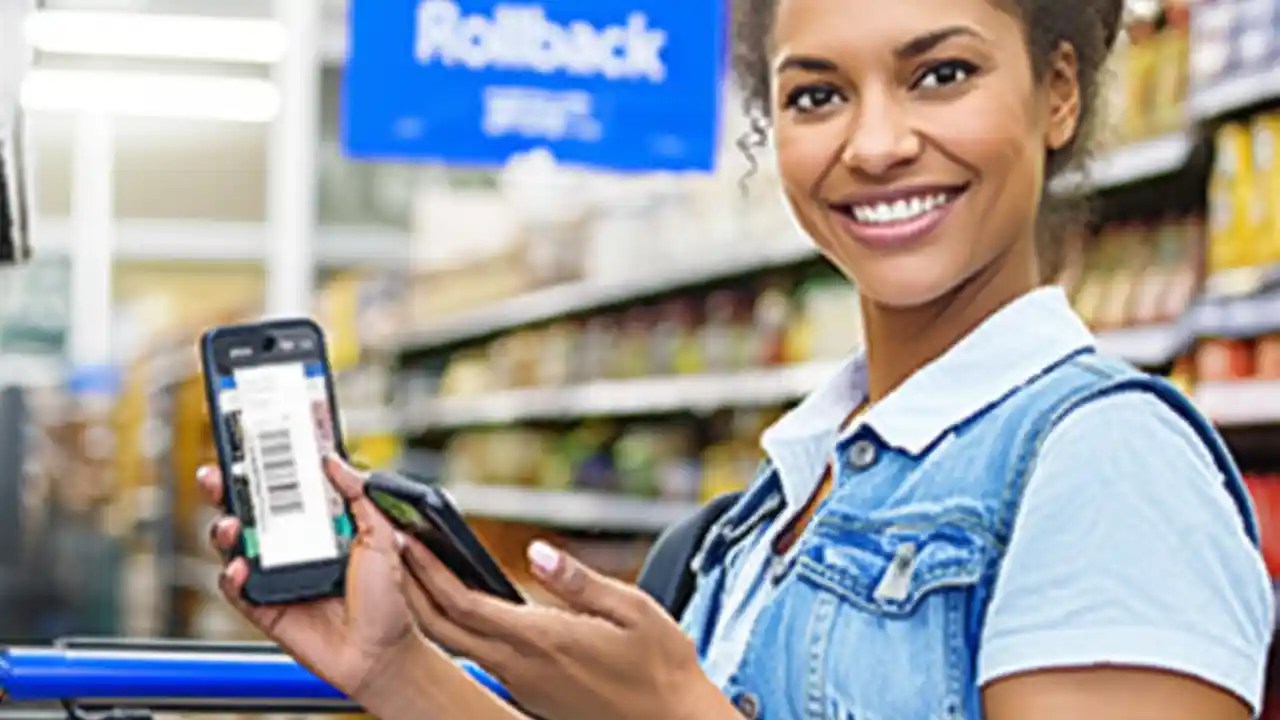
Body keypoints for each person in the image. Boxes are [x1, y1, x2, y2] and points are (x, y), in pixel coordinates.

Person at [199, 0, 1276, 718]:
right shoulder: (775, 504)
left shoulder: (1107, 469)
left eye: (939, 74)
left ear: (1057, 93)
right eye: (816, 94)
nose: (873, 142)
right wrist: (397, 669)